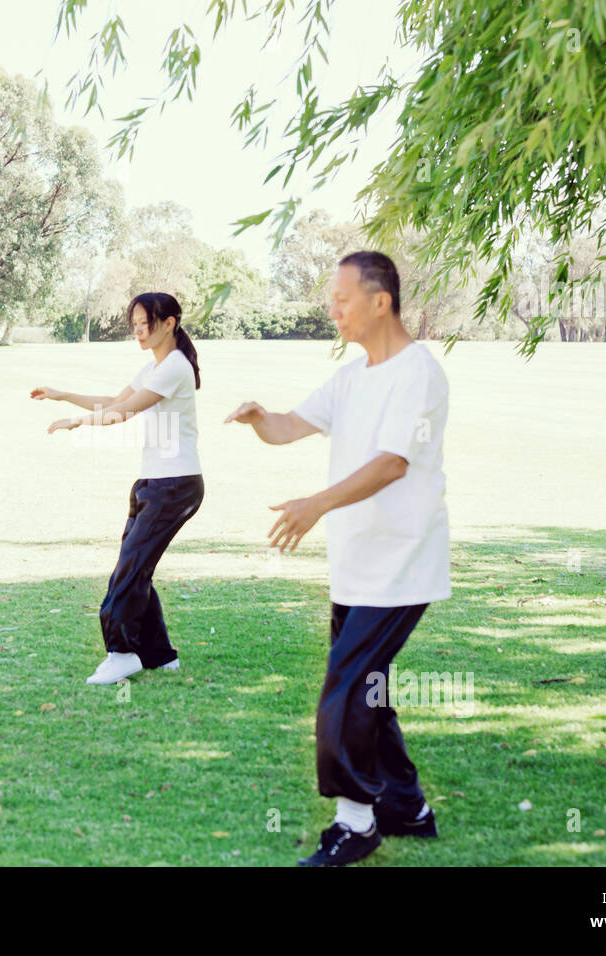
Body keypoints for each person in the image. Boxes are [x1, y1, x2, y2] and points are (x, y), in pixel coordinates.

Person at [225, 251, 451, 866]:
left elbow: (392, 462)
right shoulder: (353, 376)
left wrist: (316, 503)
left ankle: (356, 824)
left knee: (346, 690)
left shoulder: (418, 373)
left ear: (381, 301)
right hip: (356, 565)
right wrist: (259, 419)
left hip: (402, 563)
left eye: (342, 299)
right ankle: (407, 808)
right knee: (368, 689)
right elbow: (292, 426)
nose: (333, 309)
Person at [33, 292, 204, 685]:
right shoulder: (155, 367)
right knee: (135, 567)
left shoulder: (174, 368)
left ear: (170, 323)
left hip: (175, 484)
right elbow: (113, 400)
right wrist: (63, 394)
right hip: (154, 481)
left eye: (147, 323)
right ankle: (160, 656)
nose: (139, 331)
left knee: (128, 570)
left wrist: (79, 423)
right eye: (136, 324)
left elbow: (122, 413)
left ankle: (123, 653)